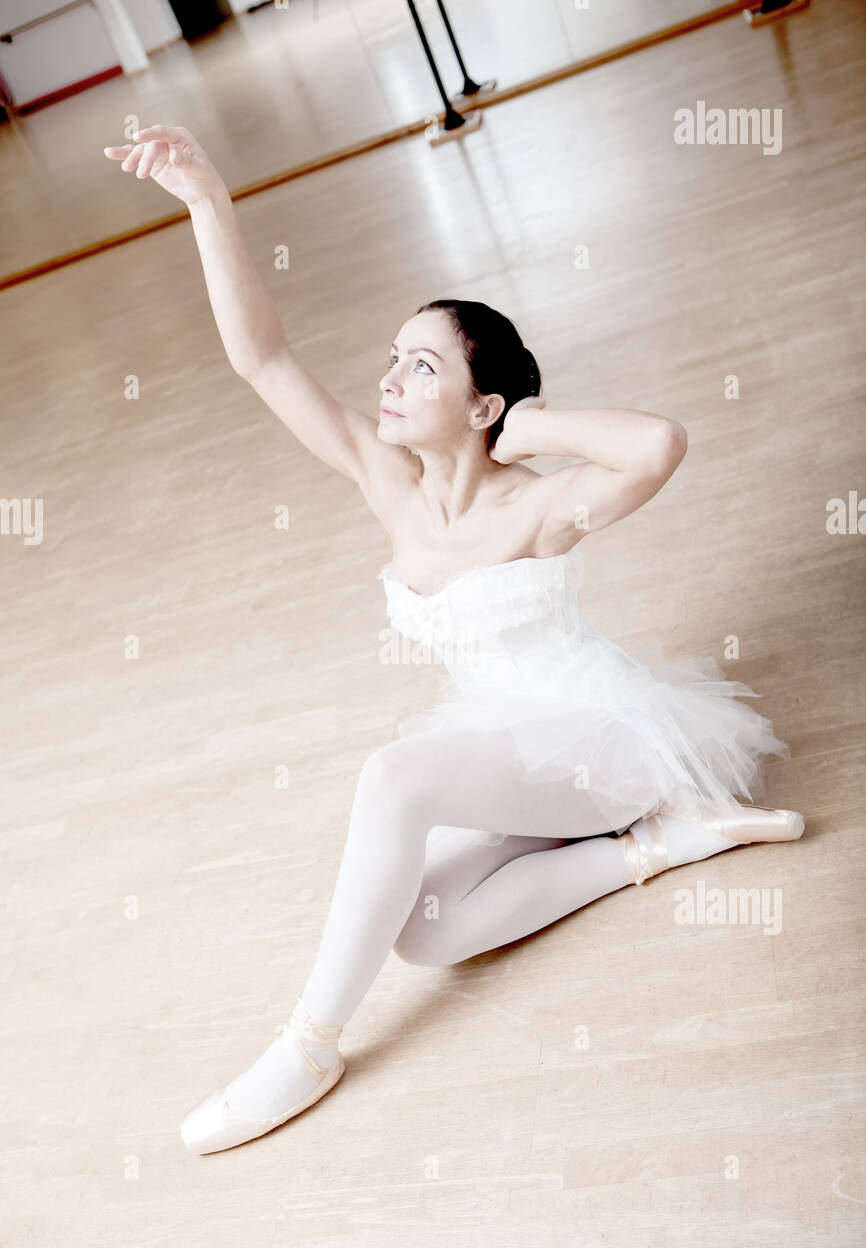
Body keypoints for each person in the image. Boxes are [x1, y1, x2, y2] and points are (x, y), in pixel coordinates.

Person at [104, 127, 805, 1157]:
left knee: (392, 778)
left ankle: (306, 1046)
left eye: (419, 366)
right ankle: (656, 846)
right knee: (425, 928)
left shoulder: (539, 507)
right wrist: (207, 199)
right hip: (516, 753)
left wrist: (528, 426)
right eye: (392, 359)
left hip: (598, 743)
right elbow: (261, 356)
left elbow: (658, 444)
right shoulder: (388, 483)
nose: (387, 378)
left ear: (480, 405)